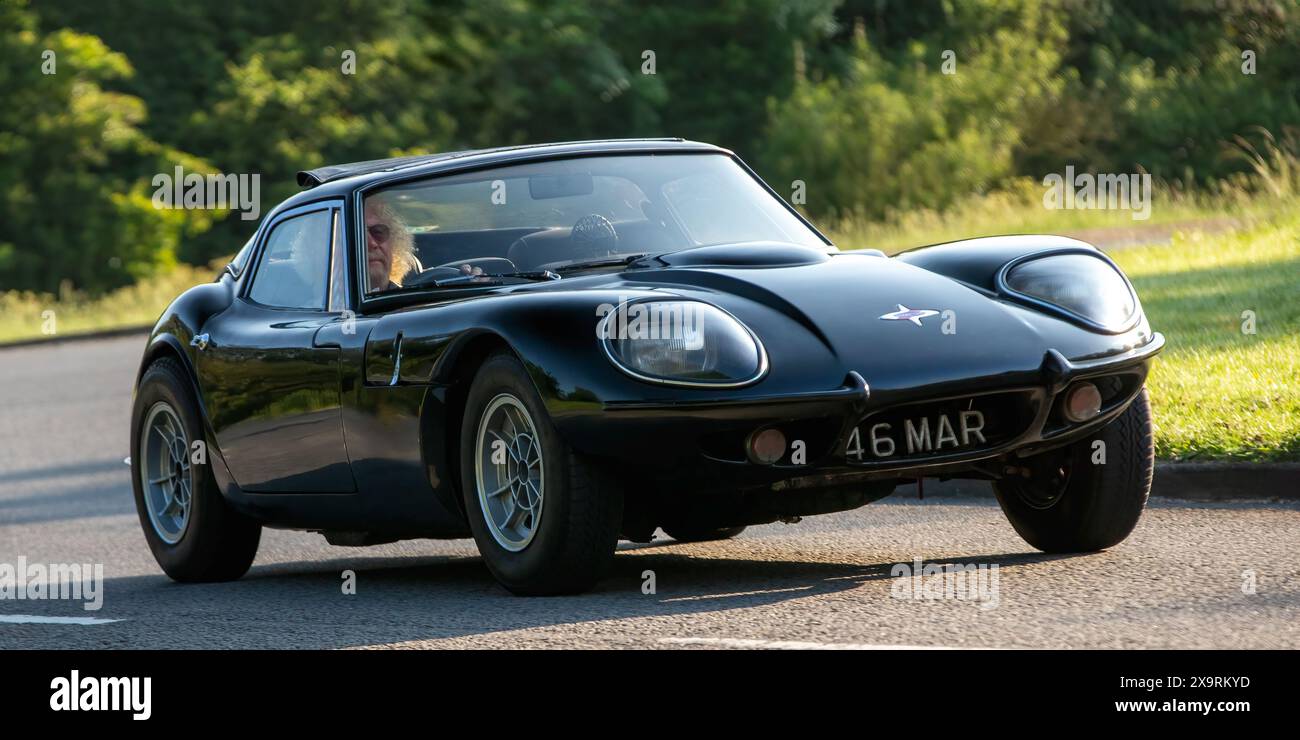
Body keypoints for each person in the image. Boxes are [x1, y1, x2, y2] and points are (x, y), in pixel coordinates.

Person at [365, 195, 486, 292]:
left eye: (378, 232)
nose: (371, 243)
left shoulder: (418, 300)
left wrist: (475, 290)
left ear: (394, 243)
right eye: (360, 236)